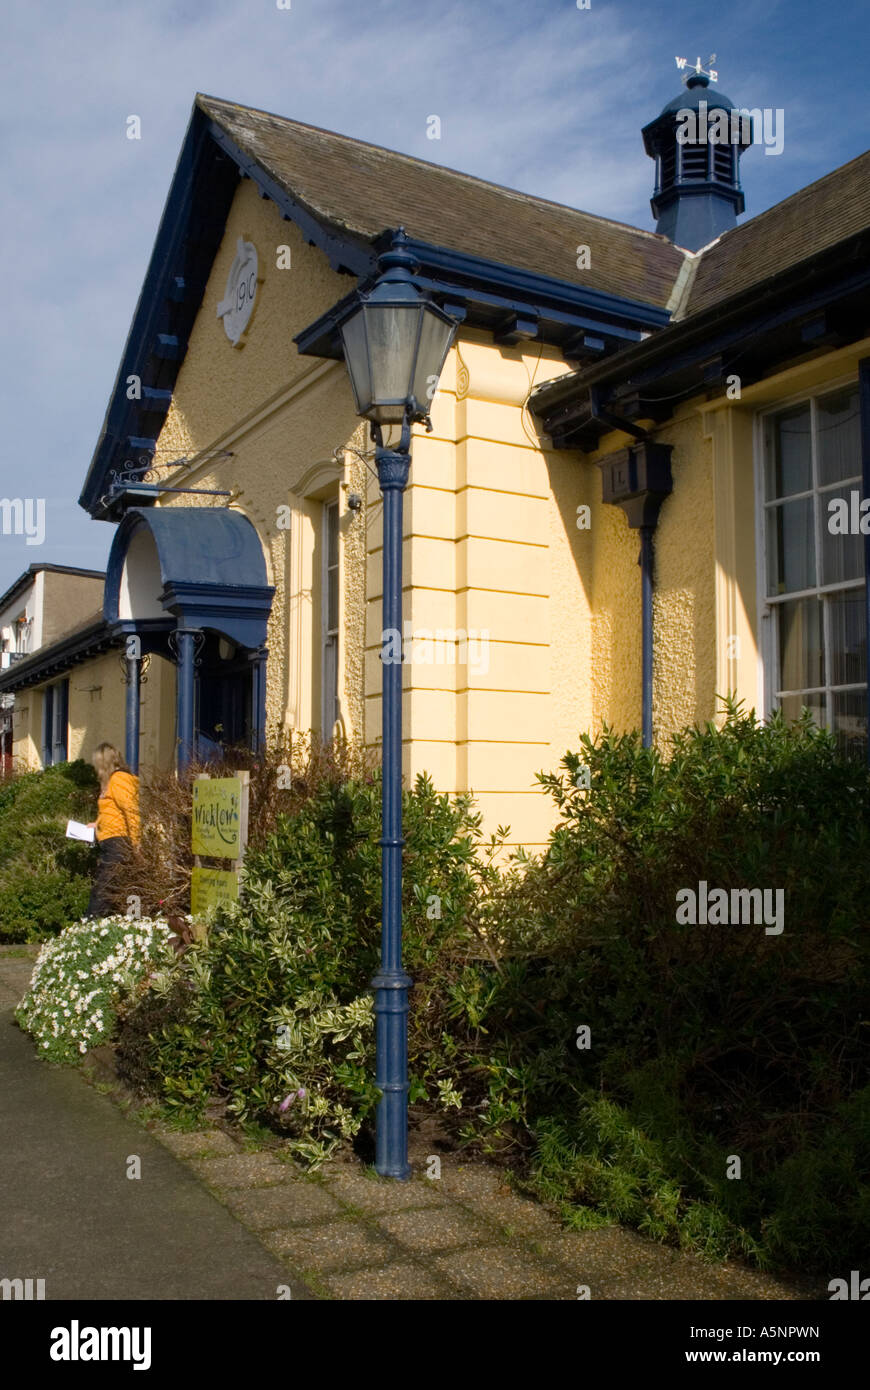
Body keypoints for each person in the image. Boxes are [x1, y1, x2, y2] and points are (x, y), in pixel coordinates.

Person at [86, 743, 140, 918]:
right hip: (109, 841)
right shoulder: (110, 781)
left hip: (118, 842)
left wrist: (136, 843)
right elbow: (110, 809)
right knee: (104, 889)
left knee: (103, 891)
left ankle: (89, 928)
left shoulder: (119, 779)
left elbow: (131, 811)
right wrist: (97, 823)